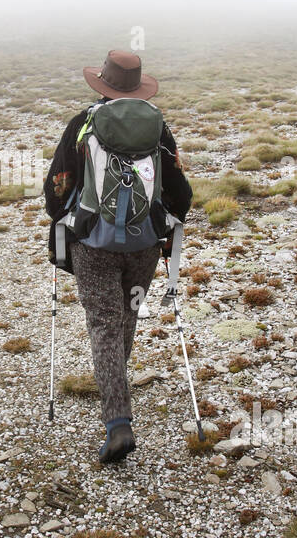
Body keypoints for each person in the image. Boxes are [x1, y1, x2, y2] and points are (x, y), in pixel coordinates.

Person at [44, 50, 193, 464]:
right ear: (139, 87)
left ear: (102, 84)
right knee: (126, 315)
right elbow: (180, 192)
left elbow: (56, 189)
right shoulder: (158, 128)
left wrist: (62, 222)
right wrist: (167, 227)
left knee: (103, 323)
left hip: (92, 242)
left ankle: (117, 421)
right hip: (144, 242)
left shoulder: (82, 124)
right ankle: (116, 384)